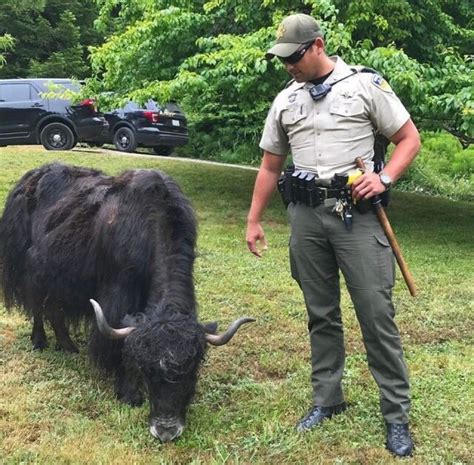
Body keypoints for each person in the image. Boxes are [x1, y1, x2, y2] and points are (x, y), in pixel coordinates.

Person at [246, 13, 420, 457]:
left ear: (318, 45)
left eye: (294, 57)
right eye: (282, 59)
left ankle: (396, 415)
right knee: (320, 313)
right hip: (306, 218)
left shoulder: (364, 85)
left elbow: (408, 139)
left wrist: (384, 179)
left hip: (358, 216)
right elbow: (269, 165)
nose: (288, 66)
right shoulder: (286, 100)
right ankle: (328, 399)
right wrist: (253, 219)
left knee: (376, 316)